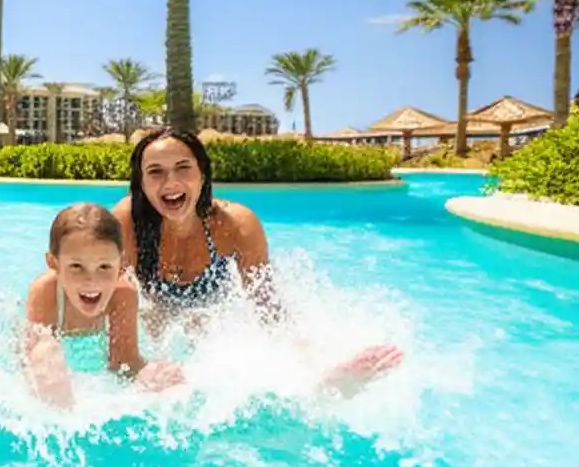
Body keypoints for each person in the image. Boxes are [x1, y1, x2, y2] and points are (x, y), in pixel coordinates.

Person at [112, 127, 404, 398]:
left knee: (218, 345)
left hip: (206, 327)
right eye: (155, 172)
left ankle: (326, 381)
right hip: (153, 328)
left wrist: (310, 362)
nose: (171, 182)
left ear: (202, 175)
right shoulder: (127, 223)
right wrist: (141, 371)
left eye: (183, 168)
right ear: (141, 184)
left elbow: (267, 307)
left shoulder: (235, 224)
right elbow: (115, 305)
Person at [23, 203, 186, 408]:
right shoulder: (45, 292)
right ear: (54, 263)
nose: (91, 280)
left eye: (104, 267)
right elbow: (29, 361)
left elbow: (124, 363)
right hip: (42, 343)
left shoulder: (122, 294)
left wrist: (150, 377)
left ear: (120, 265)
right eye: (76, 266)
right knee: (45, 352)